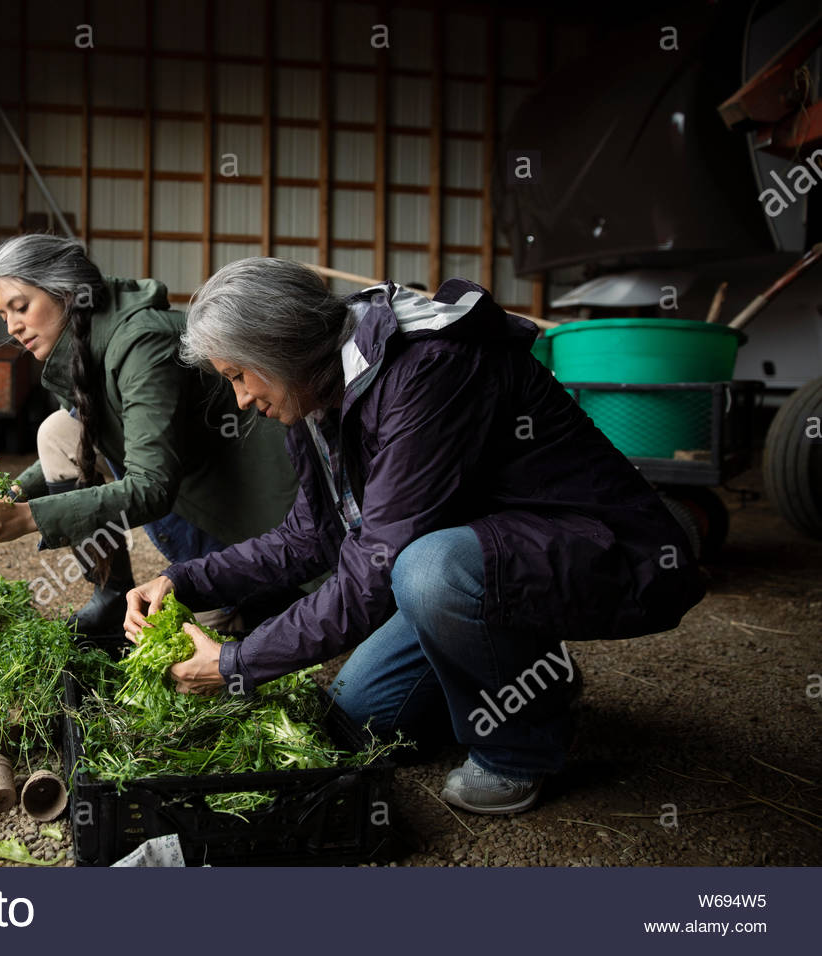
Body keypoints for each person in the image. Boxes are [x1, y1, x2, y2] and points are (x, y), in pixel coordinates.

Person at [124, 258, 706, 814]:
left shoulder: (429, 367)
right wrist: (183, 580)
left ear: (277, 346)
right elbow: (311, 537)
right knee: (361, 720)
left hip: (612, 549)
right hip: (499, 558)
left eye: (237, 375)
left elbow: (375, 572)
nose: (242, 398)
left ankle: (517, 753)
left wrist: (235, 665)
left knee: (426, 571)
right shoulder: (315, 394)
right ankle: (532, 669)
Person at [0, 234, 299, 635]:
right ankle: (110, 595)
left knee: (204, 645)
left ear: (63, 290)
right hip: (192, 487)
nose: (13, 327)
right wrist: (15, 493)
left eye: (21, 307)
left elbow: (152, 487)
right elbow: (82, 425)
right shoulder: (85, 335)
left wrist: (28, 518)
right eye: (4, 315)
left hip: (233, 511)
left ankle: (263, 598)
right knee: (59, 431)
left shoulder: (141, 344)